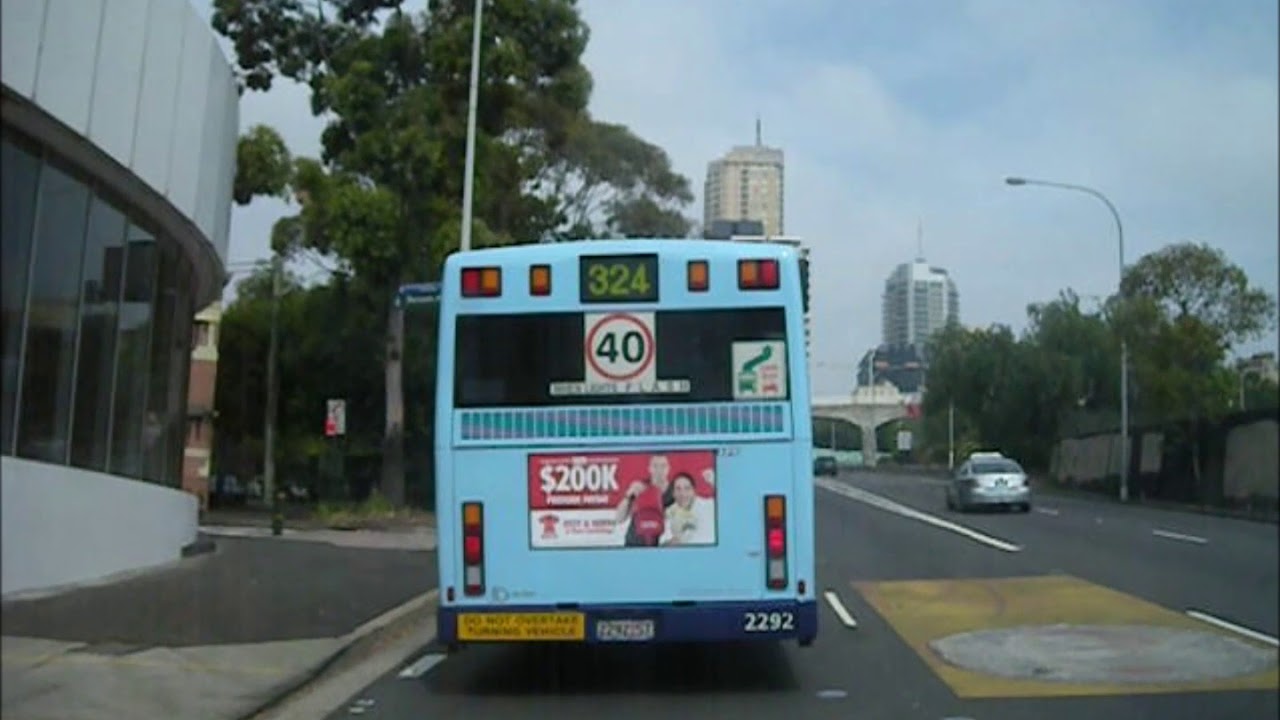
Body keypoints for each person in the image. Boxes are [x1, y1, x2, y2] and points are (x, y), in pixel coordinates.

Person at [615, 454, 672, 547]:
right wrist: (628, 495)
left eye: (663, 466)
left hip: (661, 549)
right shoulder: (639, 487)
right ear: (649, 468)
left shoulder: (676, 491)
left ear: (668, 468)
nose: (659, 470)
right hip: (634, 544)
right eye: (655, 466)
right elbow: (619, 518)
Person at [660, 473, 715, 546]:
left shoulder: (710, 505)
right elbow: (662, 541)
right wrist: (671, 542)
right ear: (673, 493)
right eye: (678, 489)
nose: (683, 494)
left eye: (687, 488)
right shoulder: (669, 513)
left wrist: (713, 480)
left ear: (694, 491)